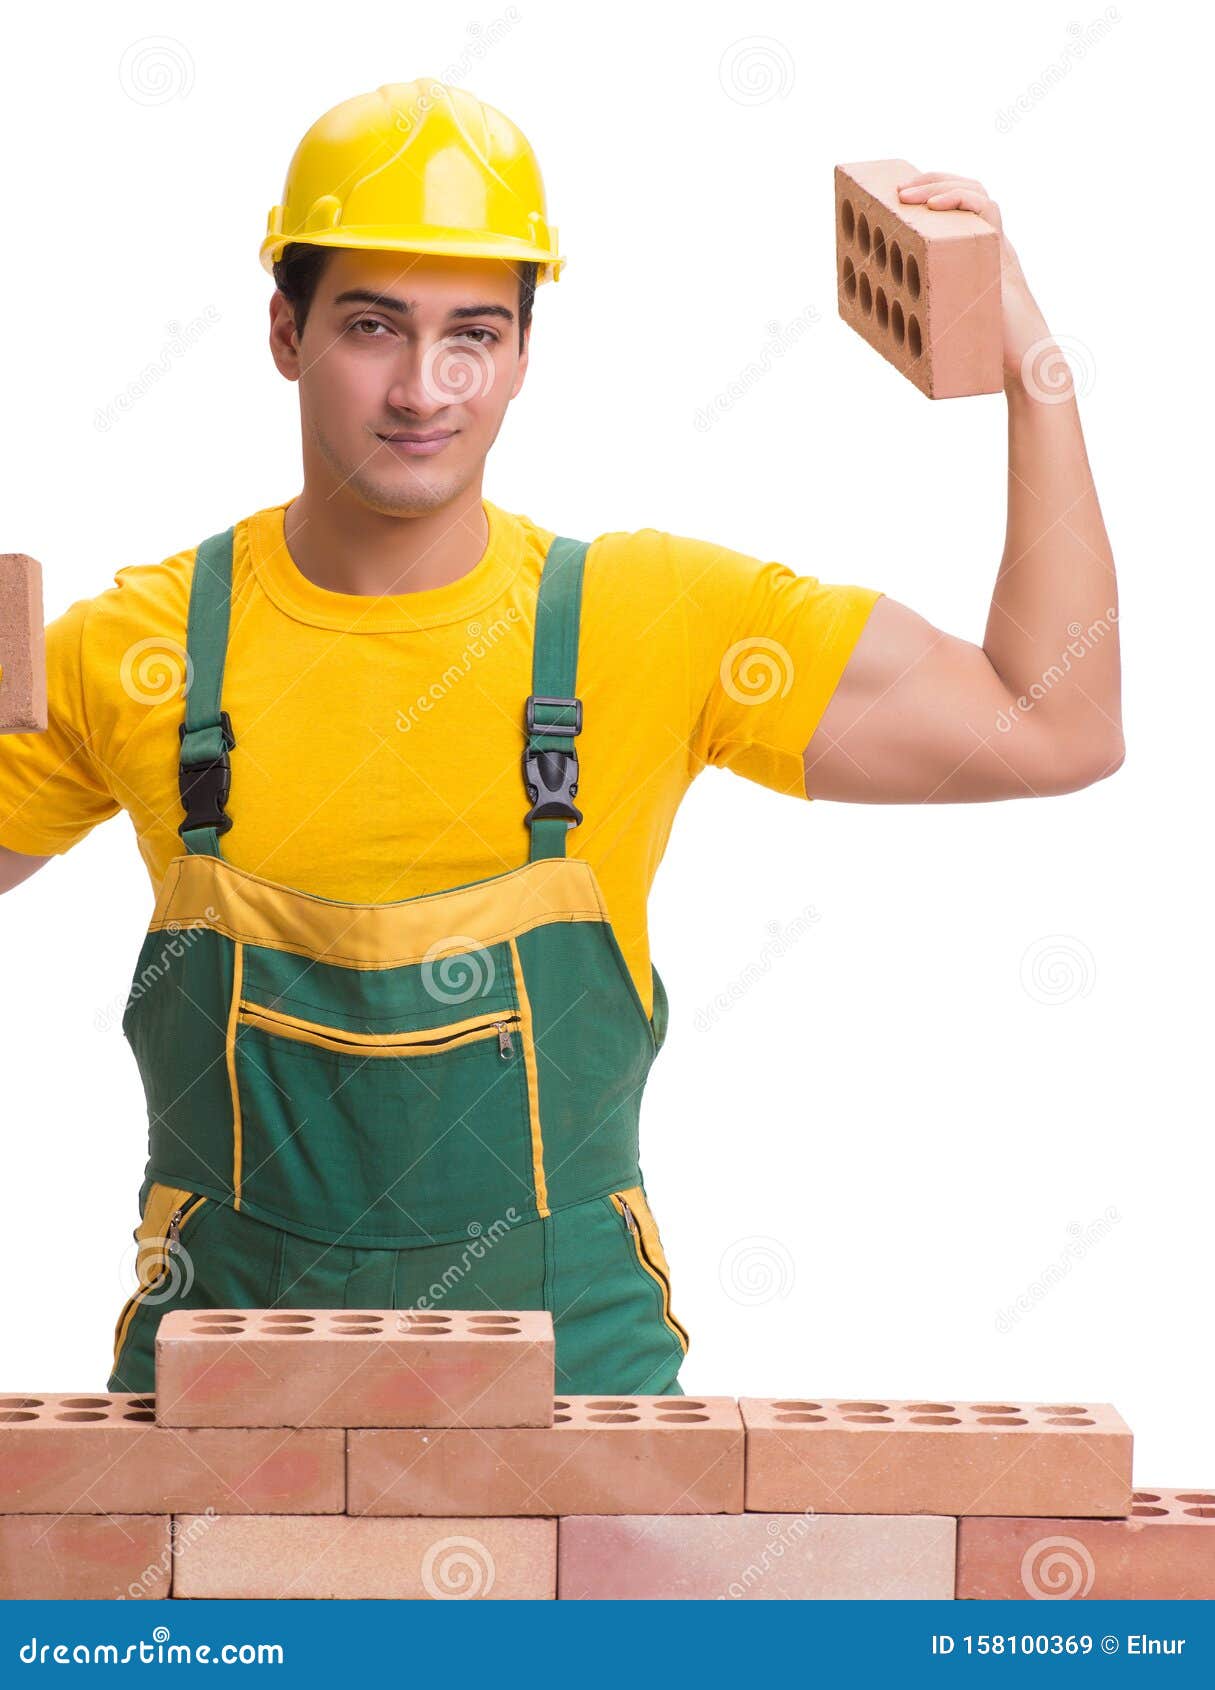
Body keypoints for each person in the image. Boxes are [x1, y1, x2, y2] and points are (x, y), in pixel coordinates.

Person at [0, 79, 1123, 1399]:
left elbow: (1053, 723)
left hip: (580, 1422)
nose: (427, 386)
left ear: (526, 352)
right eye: (373, 326)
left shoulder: (655, 621)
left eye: (474, 331)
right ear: (284, 332)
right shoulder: (130, 648)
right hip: (215, 1427)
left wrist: (1035, 378)